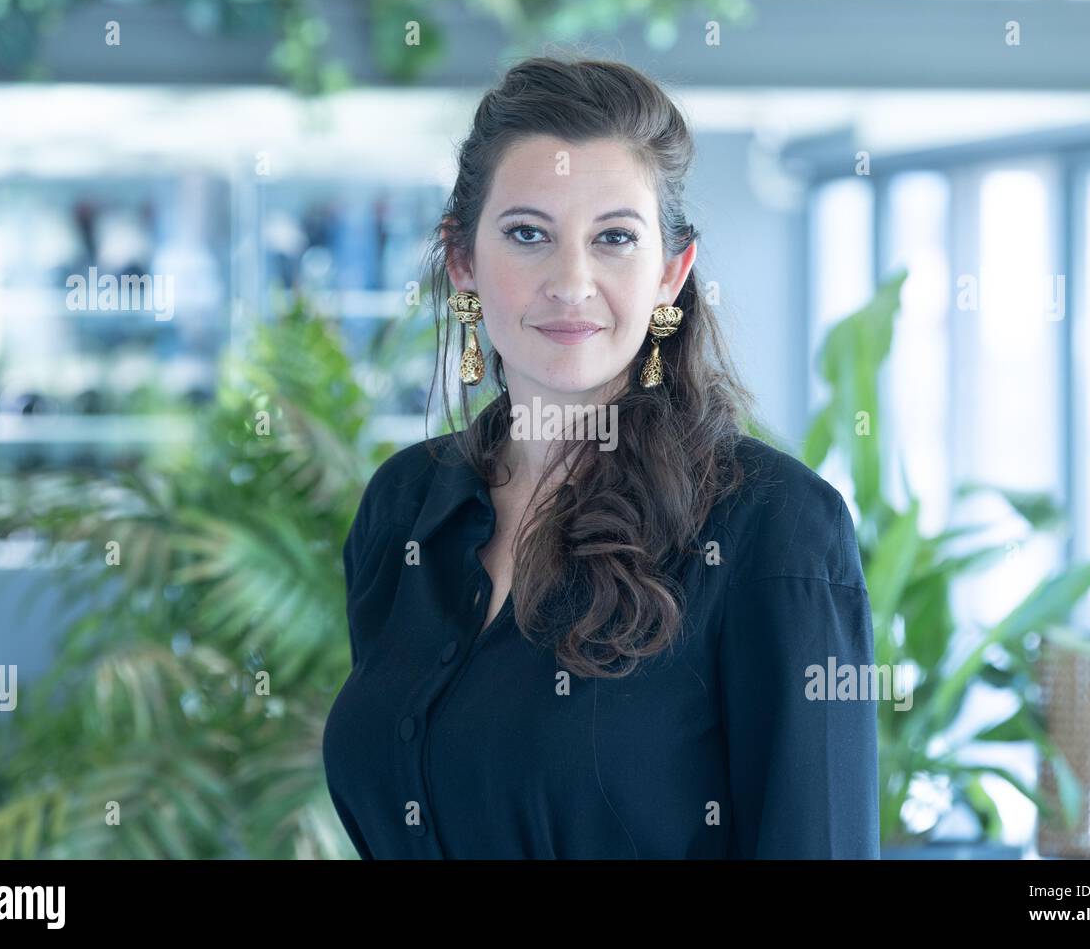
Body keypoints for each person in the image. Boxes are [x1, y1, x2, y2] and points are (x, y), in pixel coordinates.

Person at [322, 55, 879, 859]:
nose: (571, 281)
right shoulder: (405, 504)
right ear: (463, 264)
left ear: (670, 274)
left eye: (614, 237)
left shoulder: (777, 528)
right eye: (527, 235)